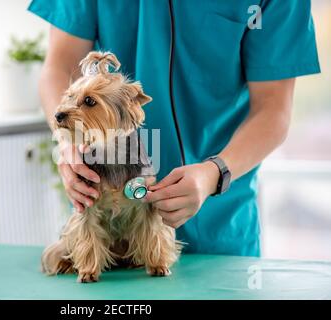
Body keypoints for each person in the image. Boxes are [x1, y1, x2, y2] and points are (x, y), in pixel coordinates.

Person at [28, 0, 320, 256]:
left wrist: (213, 173)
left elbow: (273, 111)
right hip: (106, 231)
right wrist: (68, 145)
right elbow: (60, 67)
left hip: (217, 228)